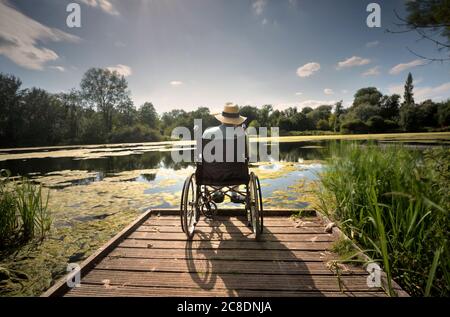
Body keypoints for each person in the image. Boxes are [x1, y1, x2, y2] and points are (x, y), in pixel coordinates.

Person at [202, 103, 248, 204]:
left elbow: (203, 156)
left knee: (214, 163)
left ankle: (217, 192)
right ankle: (234, 194)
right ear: (237, 120)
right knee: (238, 162)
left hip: (212, 175)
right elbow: (245, 155)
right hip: (235, 175)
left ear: (222, 118)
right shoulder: (241, 134)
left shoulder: (207, 133)